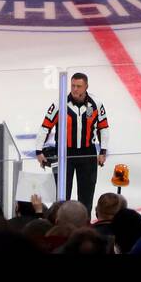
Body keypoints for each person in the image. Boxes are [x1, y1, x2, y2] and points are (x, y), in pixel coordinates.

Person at [37, 72, 109, 211]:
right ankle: (61, 226)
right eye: (73, 85)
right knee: (61, 198)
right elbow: (45, 127)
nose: (75, 89)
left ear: (86, 86)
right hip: (64, 154)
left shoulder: (96, 104)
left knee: (86, 197)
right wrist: (38, 151)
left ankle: (85, 226)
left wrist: (103, 151)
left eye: (79, 86)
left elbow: (103, 127)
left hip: (87, 153)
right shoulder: (59, 104)